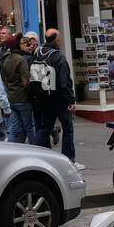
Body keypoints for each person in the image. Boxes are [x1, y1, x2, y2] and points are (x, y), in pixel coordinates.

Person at [30, 28, 76, 162]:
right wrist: (70, 101)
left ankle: (34, 154)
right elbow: (64, 82)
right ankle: (68, 159)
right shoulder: (58, 56)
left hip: (43, 97)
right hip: (59, 99)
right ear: (56, 40)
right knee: (68, 127)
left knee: (45, 127)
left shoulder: (37, 53)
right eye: (59, 38)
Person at [0, 33, 33, 143]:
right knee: (30, 127)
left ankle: (13, 149)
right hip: (23, 99)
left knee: (15, 128)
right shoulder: (21, 60)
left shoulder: (5, 59)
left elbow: (5, 81)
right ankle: (37, 150)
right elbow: (25, 82)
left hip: (12, 98)